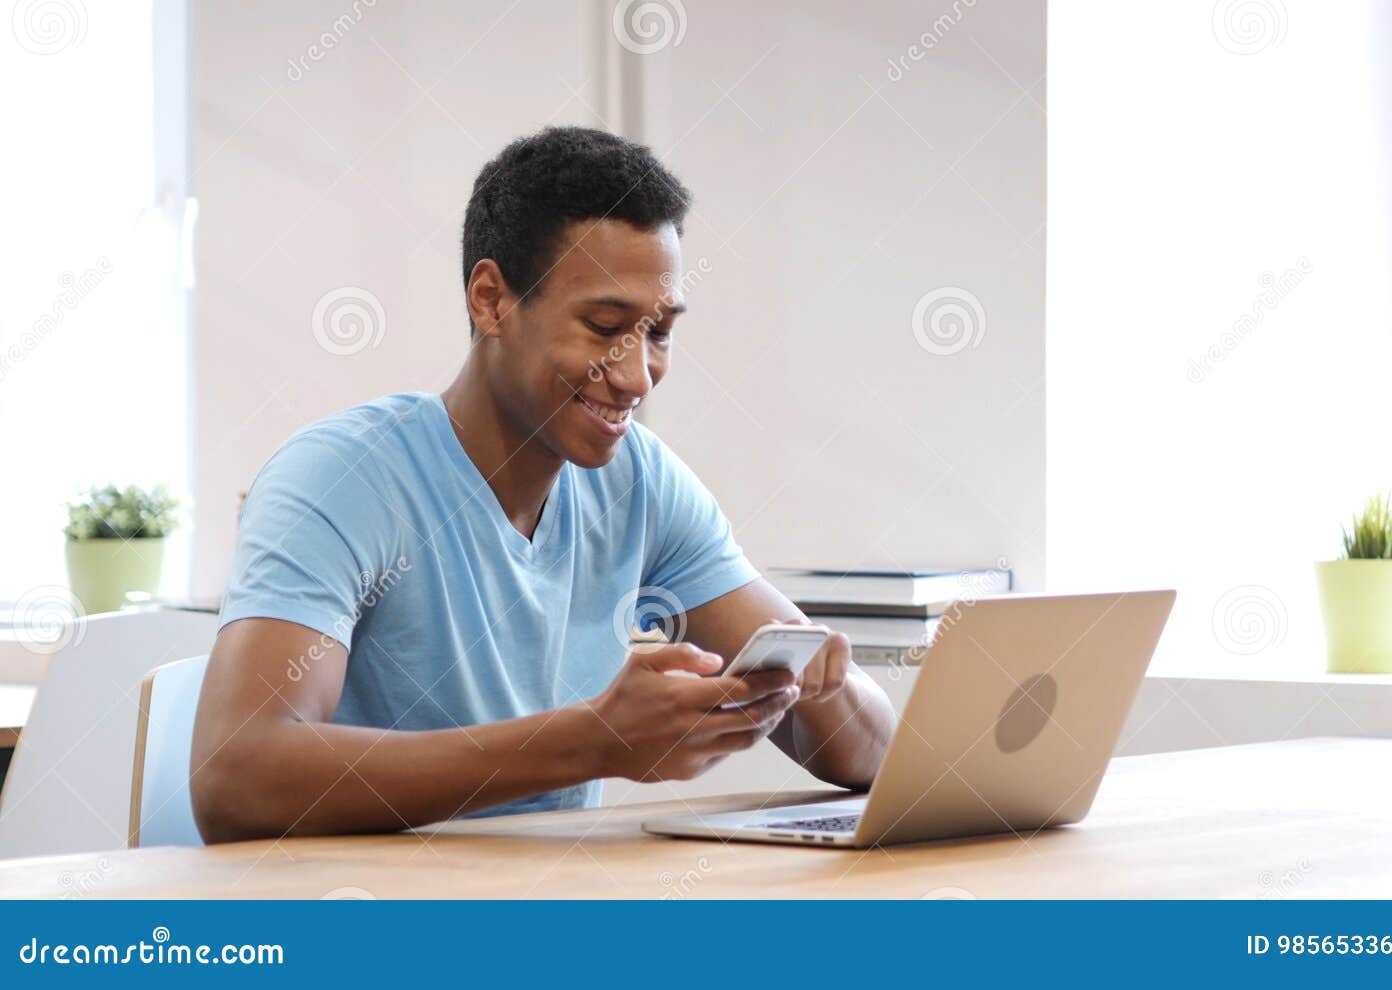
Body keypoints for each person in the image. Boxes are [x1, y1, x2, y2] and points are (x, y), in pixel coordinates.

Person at [190, 127, 895, 842]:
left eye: (657, 334)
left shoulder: (640, 482)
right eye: (602, 326)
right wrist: (589, 743)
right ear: (491, 300)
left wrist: (822, 686)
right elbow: (236, 777)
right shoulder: (341, 477)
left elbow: (877, 754)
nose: (635, 376)